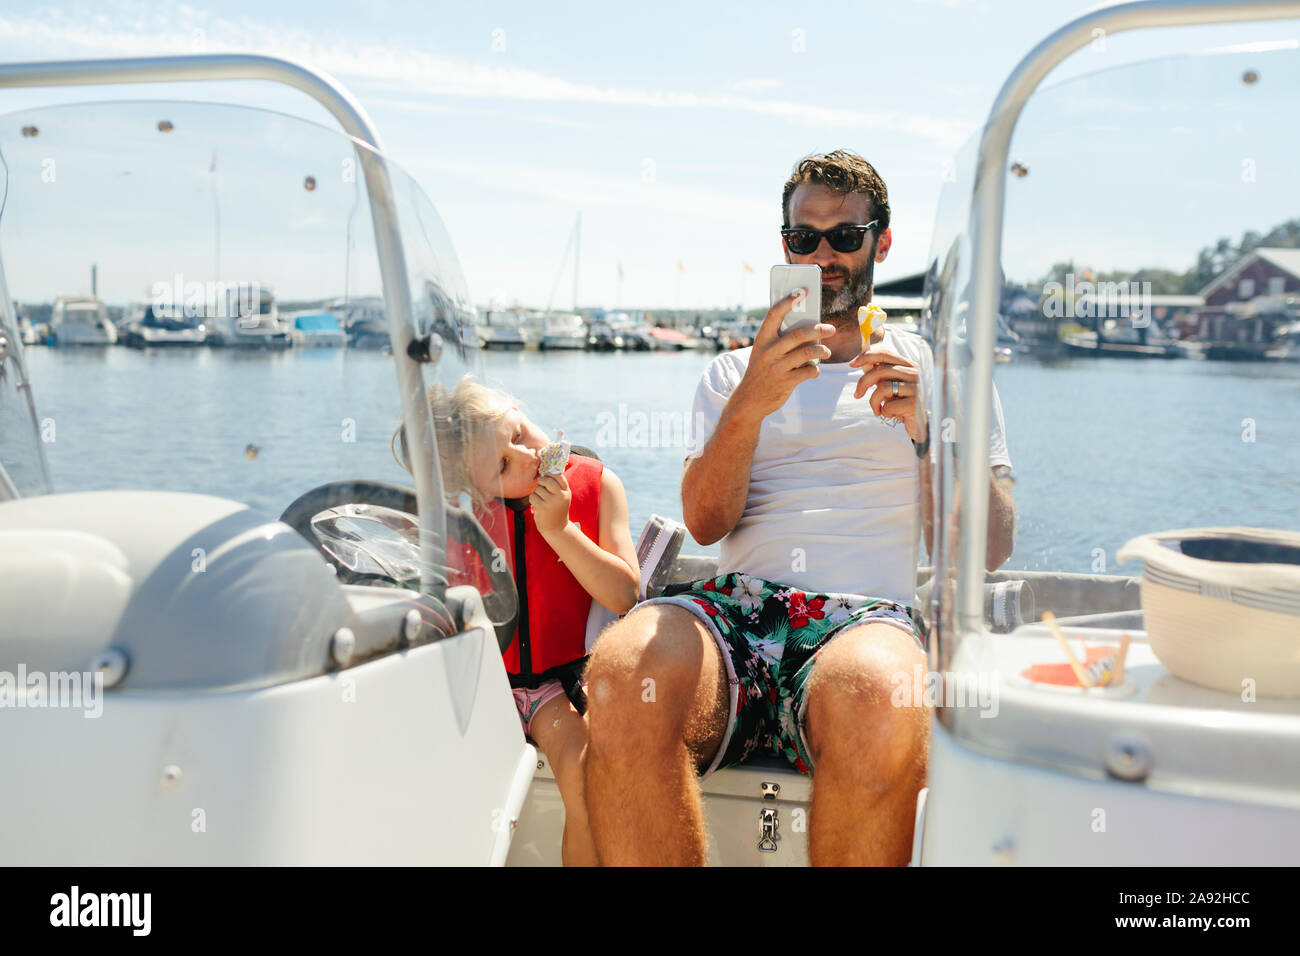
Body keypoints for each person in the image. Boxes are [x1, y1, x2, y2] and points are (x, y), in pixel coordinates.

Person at [582, 150, 1015, 866]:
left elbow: (990, 545)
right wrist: (751, 402)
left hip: (867, 616)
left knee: (877, 694)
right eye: (802, 239)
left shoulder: (942, 372)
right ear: (782, 245)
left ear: (880, 241)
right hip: (735, 612)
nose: (823, 256)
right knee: (622, 674)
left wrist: (932, 431)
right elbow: (707, 522)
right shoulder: (732, 372)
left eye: (844, 237)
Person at [394, 378, 640, 866]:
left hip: (558, 687)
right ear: (476, 489)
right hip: (486, 689)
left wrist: (560, 529)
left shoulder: (598, 485)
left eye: (520, 432)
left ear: (521, 411)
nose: (528, 454)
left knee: (588, 781)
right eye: (504, 465)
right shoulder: (469, 521)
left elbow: (625, 594)